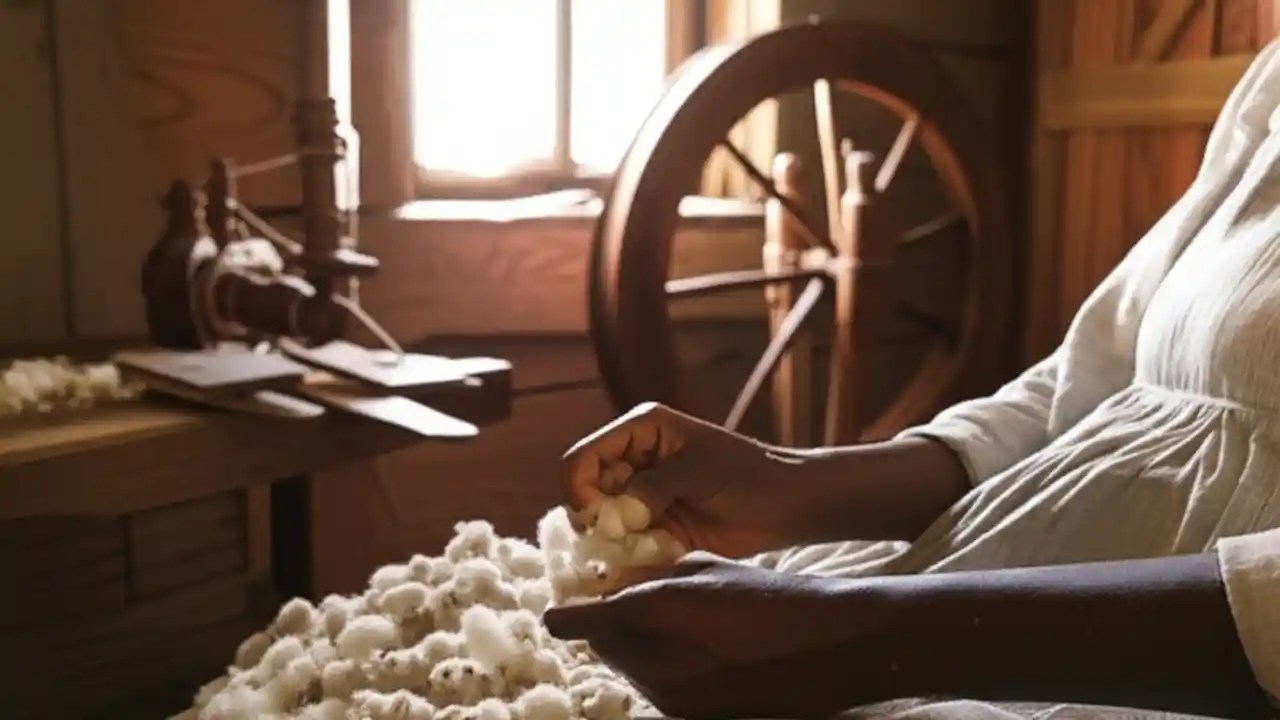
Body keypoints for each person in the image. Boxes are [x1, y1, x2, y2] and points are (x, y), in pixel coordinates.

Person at [543, 40, 1280, 720]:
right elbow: (1084, 388)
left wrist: (864, 638)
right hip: (945, 610)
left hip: (1104, 672)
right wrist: (789, 485)